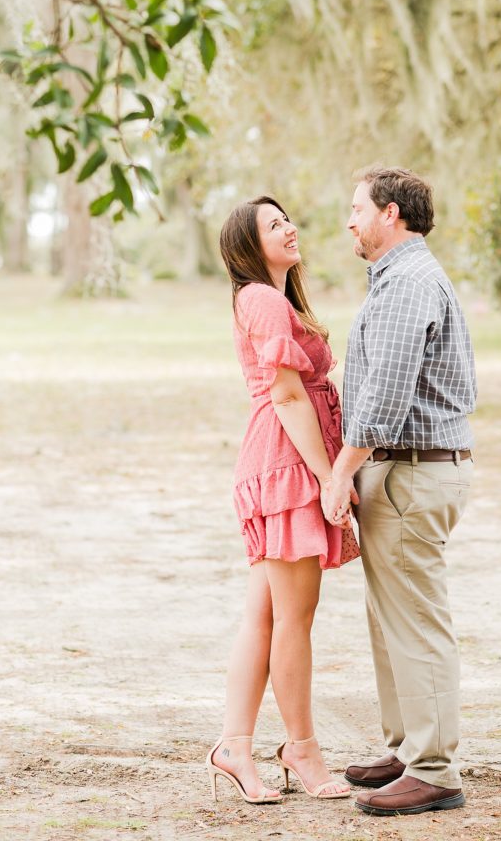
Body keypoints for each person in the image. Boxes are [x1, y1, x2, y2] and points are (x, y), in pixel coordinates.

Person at [321, 166, 477, 817]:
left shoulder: (408, 283)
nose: (349, 220)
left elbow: (385, 392)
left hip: (411, 469)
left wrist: (340, 471)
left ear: (391, 213)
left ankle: (434, 769)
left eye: (357, 208)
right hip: (403, 468)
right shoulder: (399, 279)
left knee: (415, 623)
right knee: (391, 622)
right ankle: (408, 747)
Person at [207, 195, 358, 806]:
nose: (291, 228)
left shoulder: (266, 298)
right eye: (274, 225)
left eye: (288, 218)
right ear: (249, 243)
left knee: (266, 615)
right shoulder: (264, 299)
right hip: (288, 465)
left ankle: (234, 747)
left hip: (278, 460)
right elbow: (289, 396)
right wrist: (329, 478)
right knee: (294, 617)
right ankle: (301, 746)